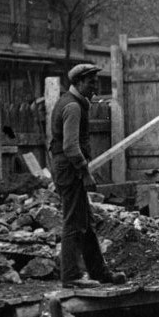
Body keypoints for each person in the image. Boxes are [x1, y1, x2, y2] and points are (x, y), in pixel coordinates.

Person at [49, 64, 124, 289]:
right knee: (73, 221)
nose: (94, 87)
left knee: (86, 222)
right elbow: (71, 147)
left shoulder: (72, 102)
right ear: (79, 82)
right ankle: (70, 275)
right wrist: (85, 172)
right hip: (69, 170)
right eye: (91, 82)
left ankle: (99, 272)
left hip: (68, 168)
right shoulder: (72, 107)